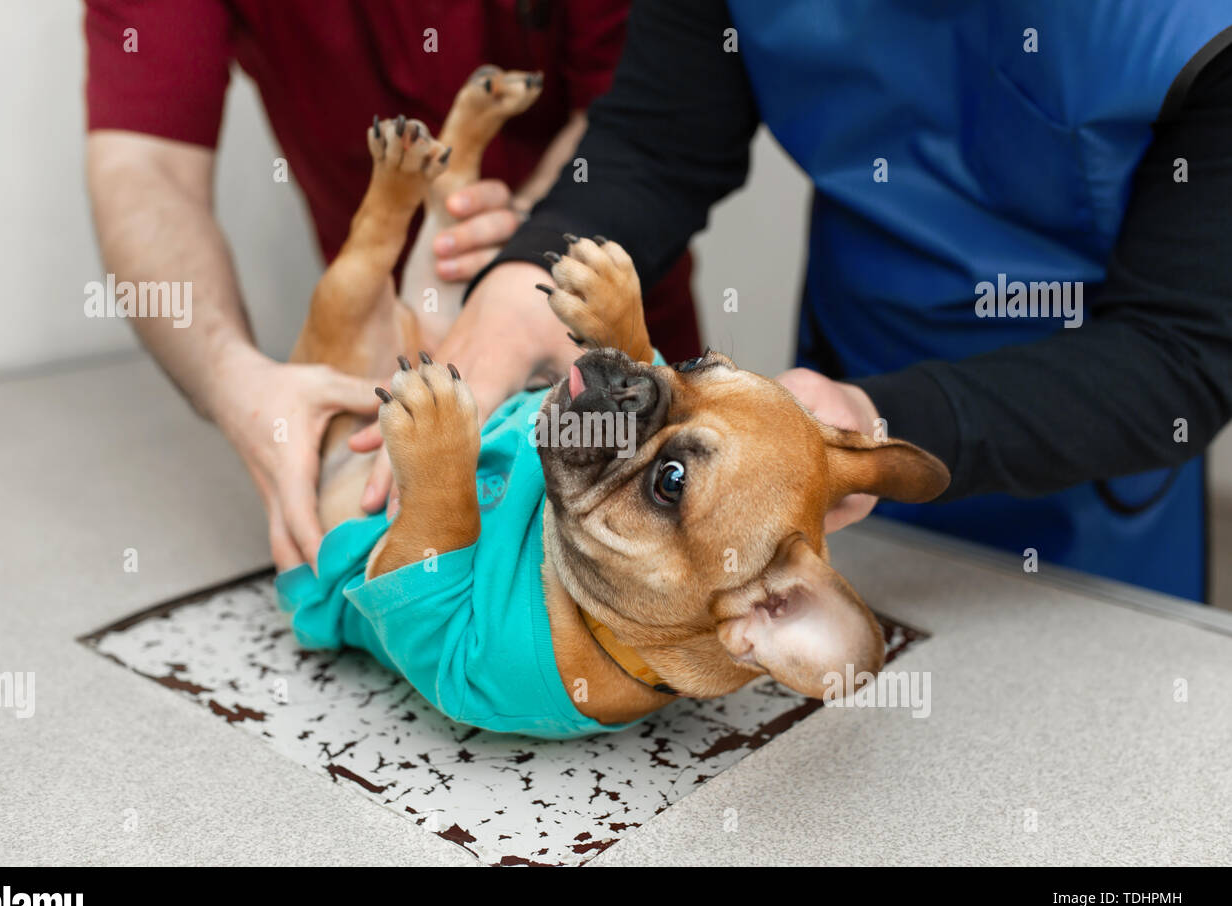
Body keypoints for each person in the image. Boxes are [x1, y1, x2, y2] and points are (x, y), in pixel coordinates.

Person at [371, 0, 1232, 601]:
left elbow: (1180, 347)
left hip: (1093, 444)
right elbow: (657, 143)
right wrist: (528, 281)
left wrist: (877, 419)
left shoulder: (1196, 32)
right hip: (851, 355)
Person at [83, 0, 700, 571]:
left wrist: (533, 241)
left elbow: (646, 106)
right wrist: (232, 379)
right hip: (378, 363)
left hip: (609, 343)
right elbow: (145, 164)